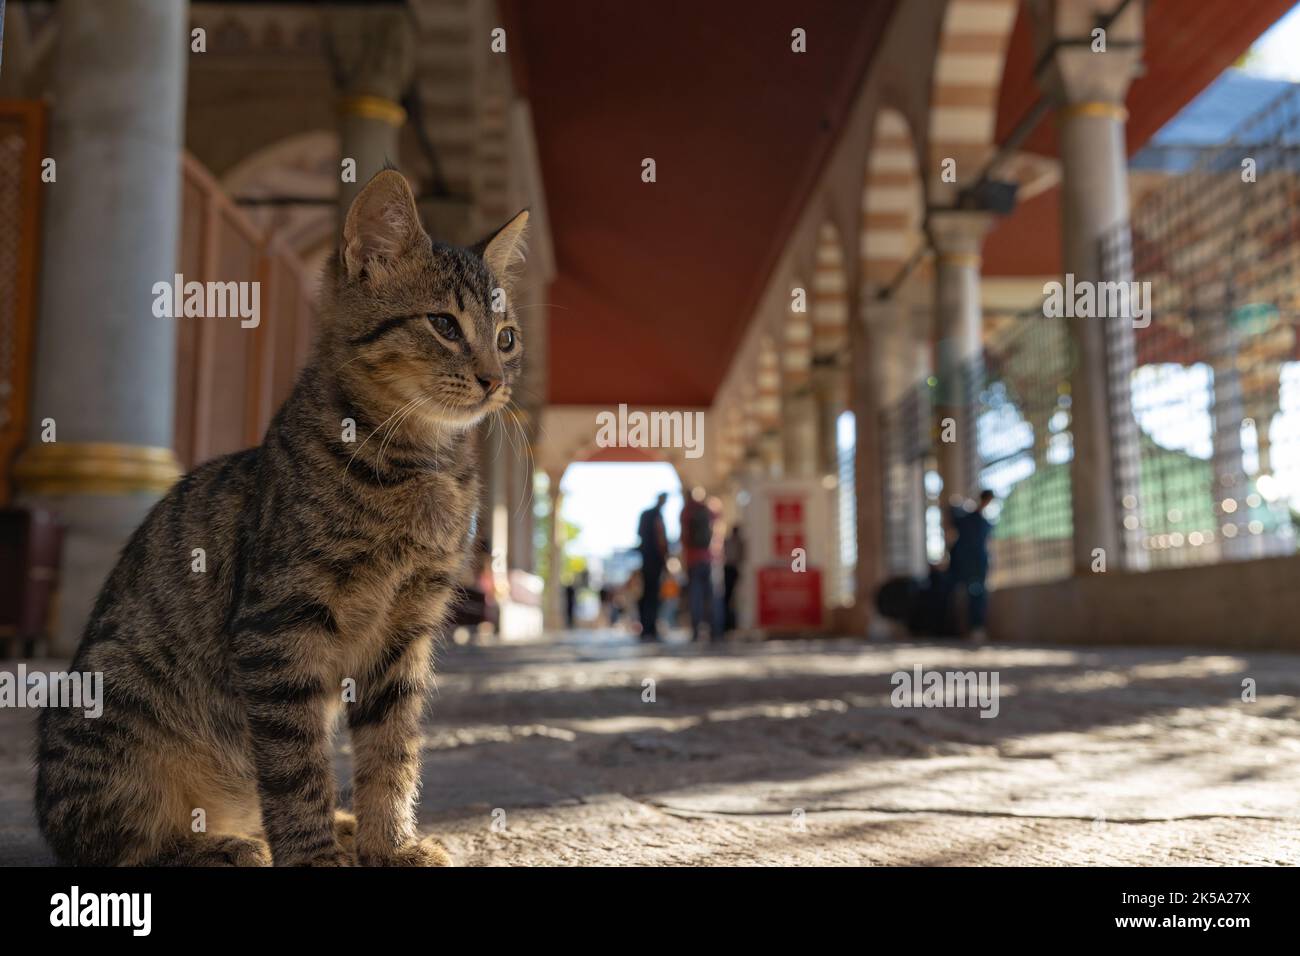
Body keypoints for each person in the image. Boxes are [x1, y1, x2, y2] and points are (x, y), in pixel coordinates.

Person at [948, 489, 995, 642]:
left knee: (977, 596)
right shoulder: (969, 519)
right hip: (965, 564)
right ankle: (954, 629)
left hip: (977, 565)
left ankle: (976, 628)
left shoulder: (984, 522)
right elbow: (953, 517)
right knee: (957, 595)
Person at [680, 487, 720, 641]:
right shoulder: (709, 509)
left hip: (692, 559)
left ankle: (696, 631)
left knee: (695, 597)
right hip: (708, 558)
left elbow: (683, 536)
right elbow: (717, 530)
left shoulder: (686, 511)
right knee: (710, 596)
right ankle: (715, 631)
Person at [636, 493, 669, 640]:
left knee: (647, 594)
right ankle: (650, 627)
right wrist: (665, 558)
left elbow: (640, 536)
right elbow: (661, 540)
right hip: (654, 561)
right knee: (653, 595)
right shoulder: (657, 516)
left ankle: (646, 627)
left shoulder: (645, 515)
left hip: (646, 559)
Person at [723, 523, 745, 633]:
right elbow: (742, 557)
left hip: (728, 569)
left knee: (728, 598)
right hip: (732, 569)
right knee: (730, 598)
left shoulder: (728, 541)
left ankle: (729, 624)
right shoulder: (739, 542)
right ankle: (728, 624)